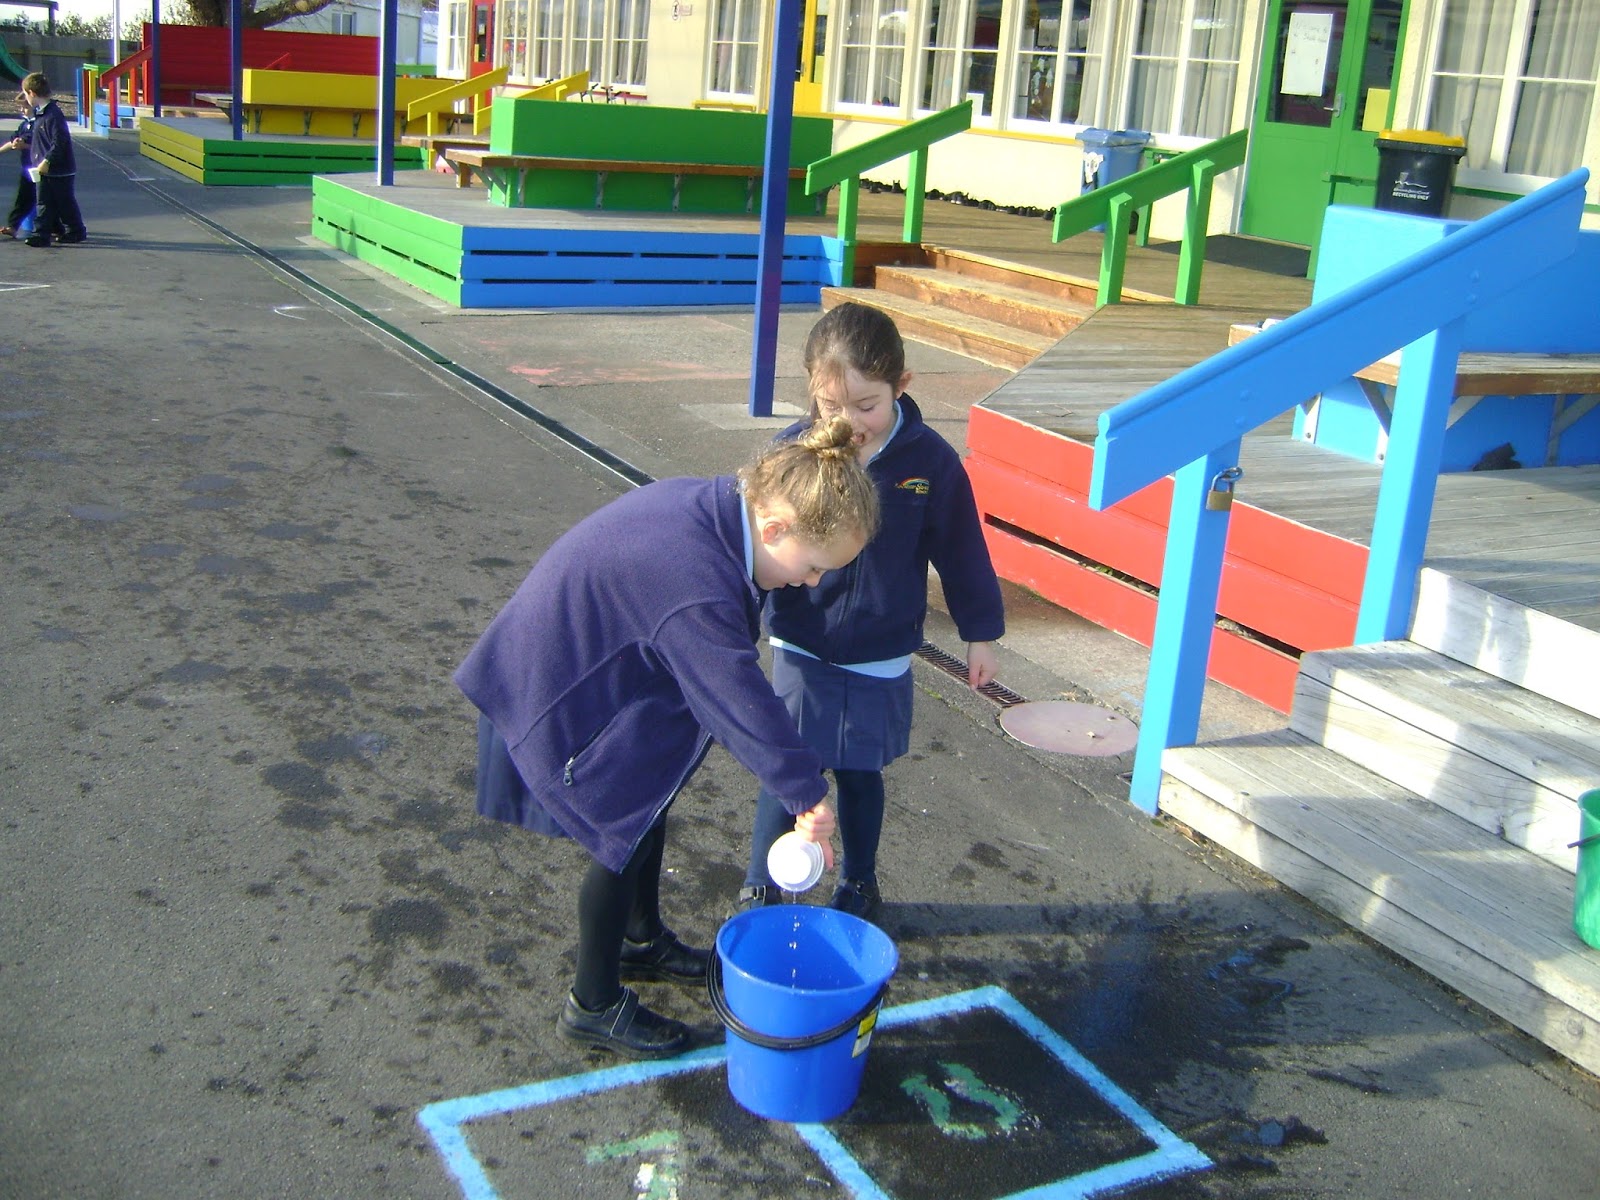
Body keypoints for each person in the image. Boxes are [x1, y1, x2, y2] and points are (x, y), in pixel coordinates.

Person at [455, 416, 879, 1060]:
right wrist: (805, 792)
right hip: (559, 694)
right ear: (774, 528)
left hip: (593, 671)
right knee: (617, 833)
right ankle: (592, 1005)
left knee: (645, 801)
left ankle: (640, 939)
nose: (814, 583)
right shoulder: (693, 583)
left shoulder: (717, 507)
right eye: (815, 567)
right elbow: (736, 699)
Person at [738, 302, 1006, 921]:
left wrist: (981, 633)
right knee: (791, 770)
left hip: (880, 650)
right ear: (812, 390)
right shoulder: (795, 452)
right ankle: (761, 881)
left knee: (860, 773)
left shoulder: (930, 462)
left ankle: (858, 880)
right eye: (832, 406)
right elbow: (757, 544)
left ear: (901, 387)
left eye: (867, 406)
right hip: (803, 640)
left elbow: (961, 548)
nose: (849, 422)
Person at [19, 73, 86, 248]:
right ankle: (42, 233)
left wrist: (47, 160)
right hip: (44, 168)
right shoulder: (42, 114)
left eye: (26, 94)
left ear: (32, 93)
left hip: (57, 168)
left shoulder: (53, 114)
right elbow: (40, 139)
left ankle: (75, 230)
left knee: (63, 202)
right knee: (45, 202)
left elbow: (60, 141)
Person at [0, 93, 37, 240]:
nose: (22, 110)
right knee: (26, 198)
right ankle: (13, 226)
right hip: (27, 168)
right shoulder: (25, 124)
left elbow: (42, 145)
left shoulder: (39, 124)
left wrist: (25, 145)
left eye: (25, 107)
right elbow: (12, 142)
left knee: (41, 199)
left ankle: (57, 226)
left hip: (39, 166)